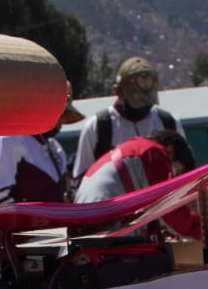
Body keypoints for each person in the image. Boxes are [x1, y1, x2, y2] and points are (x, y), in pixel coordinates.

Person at [68, 56, 183, 194]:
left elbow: (185, 172)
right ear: (119, 92)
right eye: (137, 100)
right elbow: (82, 181)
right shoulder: (98, 126)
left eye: (147, 99)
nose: (143, 107)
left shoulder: (169, 123)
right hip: (114, 204)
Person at [73, 129, 204, 239]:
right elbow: (168, 207)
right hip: (105, 228)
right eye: (177, 173)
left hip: (87, 223)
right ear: (170, 151)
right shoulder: (152, 151)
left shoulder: (132, 150)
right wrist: (203, 231)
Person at [0, 102, 84, 204]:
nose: (62, 121)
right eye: (58, 114)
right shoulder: (10, 140)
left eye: (63, 115)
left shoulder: (55, 147)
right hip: (22, 215)